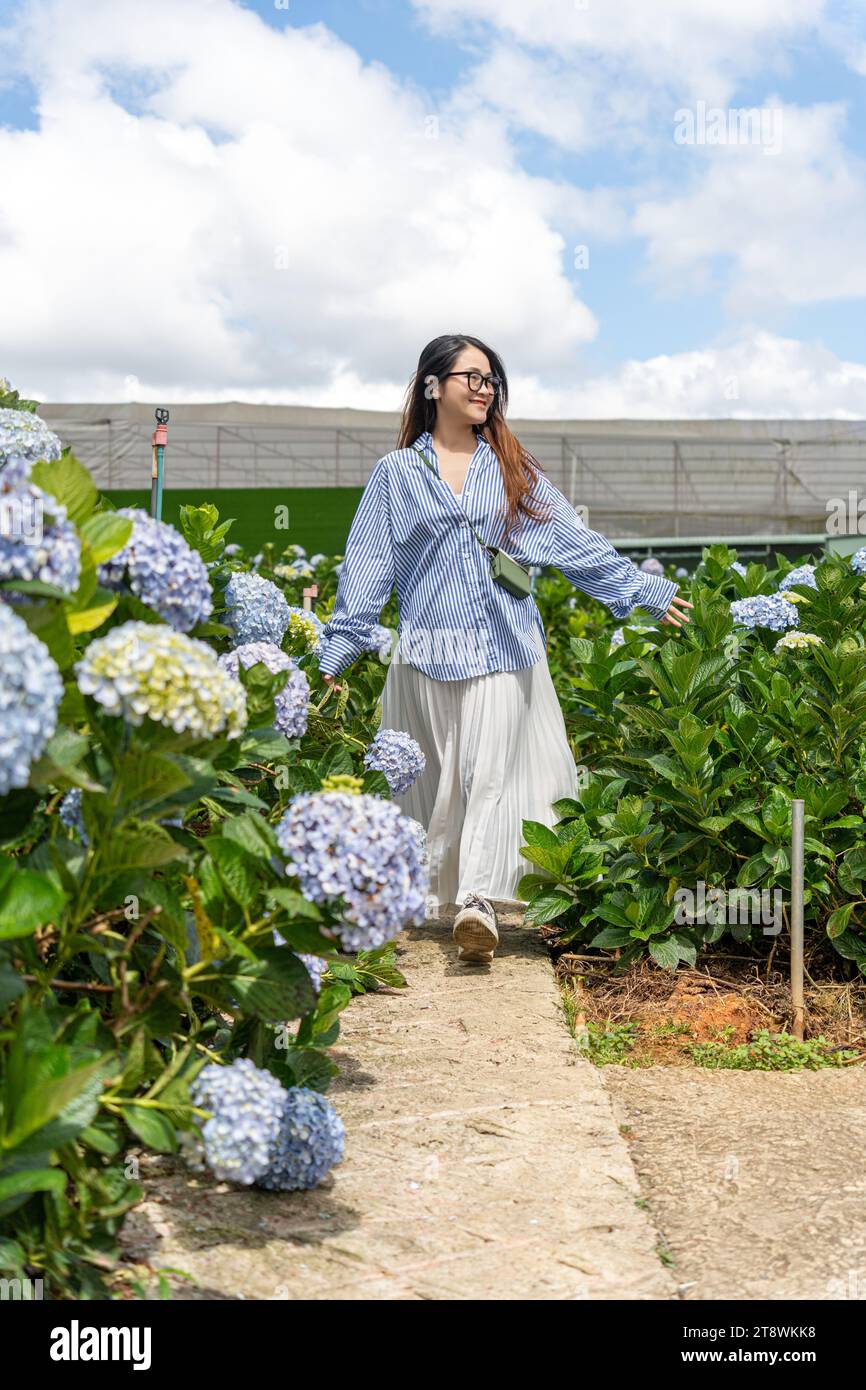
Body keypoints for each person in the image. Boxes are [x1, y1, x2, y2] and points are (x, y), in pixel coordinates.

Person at [317, 334, 693, 965]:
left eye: (492, 378)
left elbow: (573, 543)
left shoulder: (515, 468)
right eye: (471, 376)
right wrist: (337, 653)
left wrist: (642, 591)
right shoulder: (397, 474)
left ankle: (477, 903)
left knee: (487, 775)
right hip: (426, 653)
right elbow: (368, 566)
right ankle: (415, 895)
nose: (485, 387)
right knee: (436, 781)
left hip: (504, 647)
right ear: (433, 385)